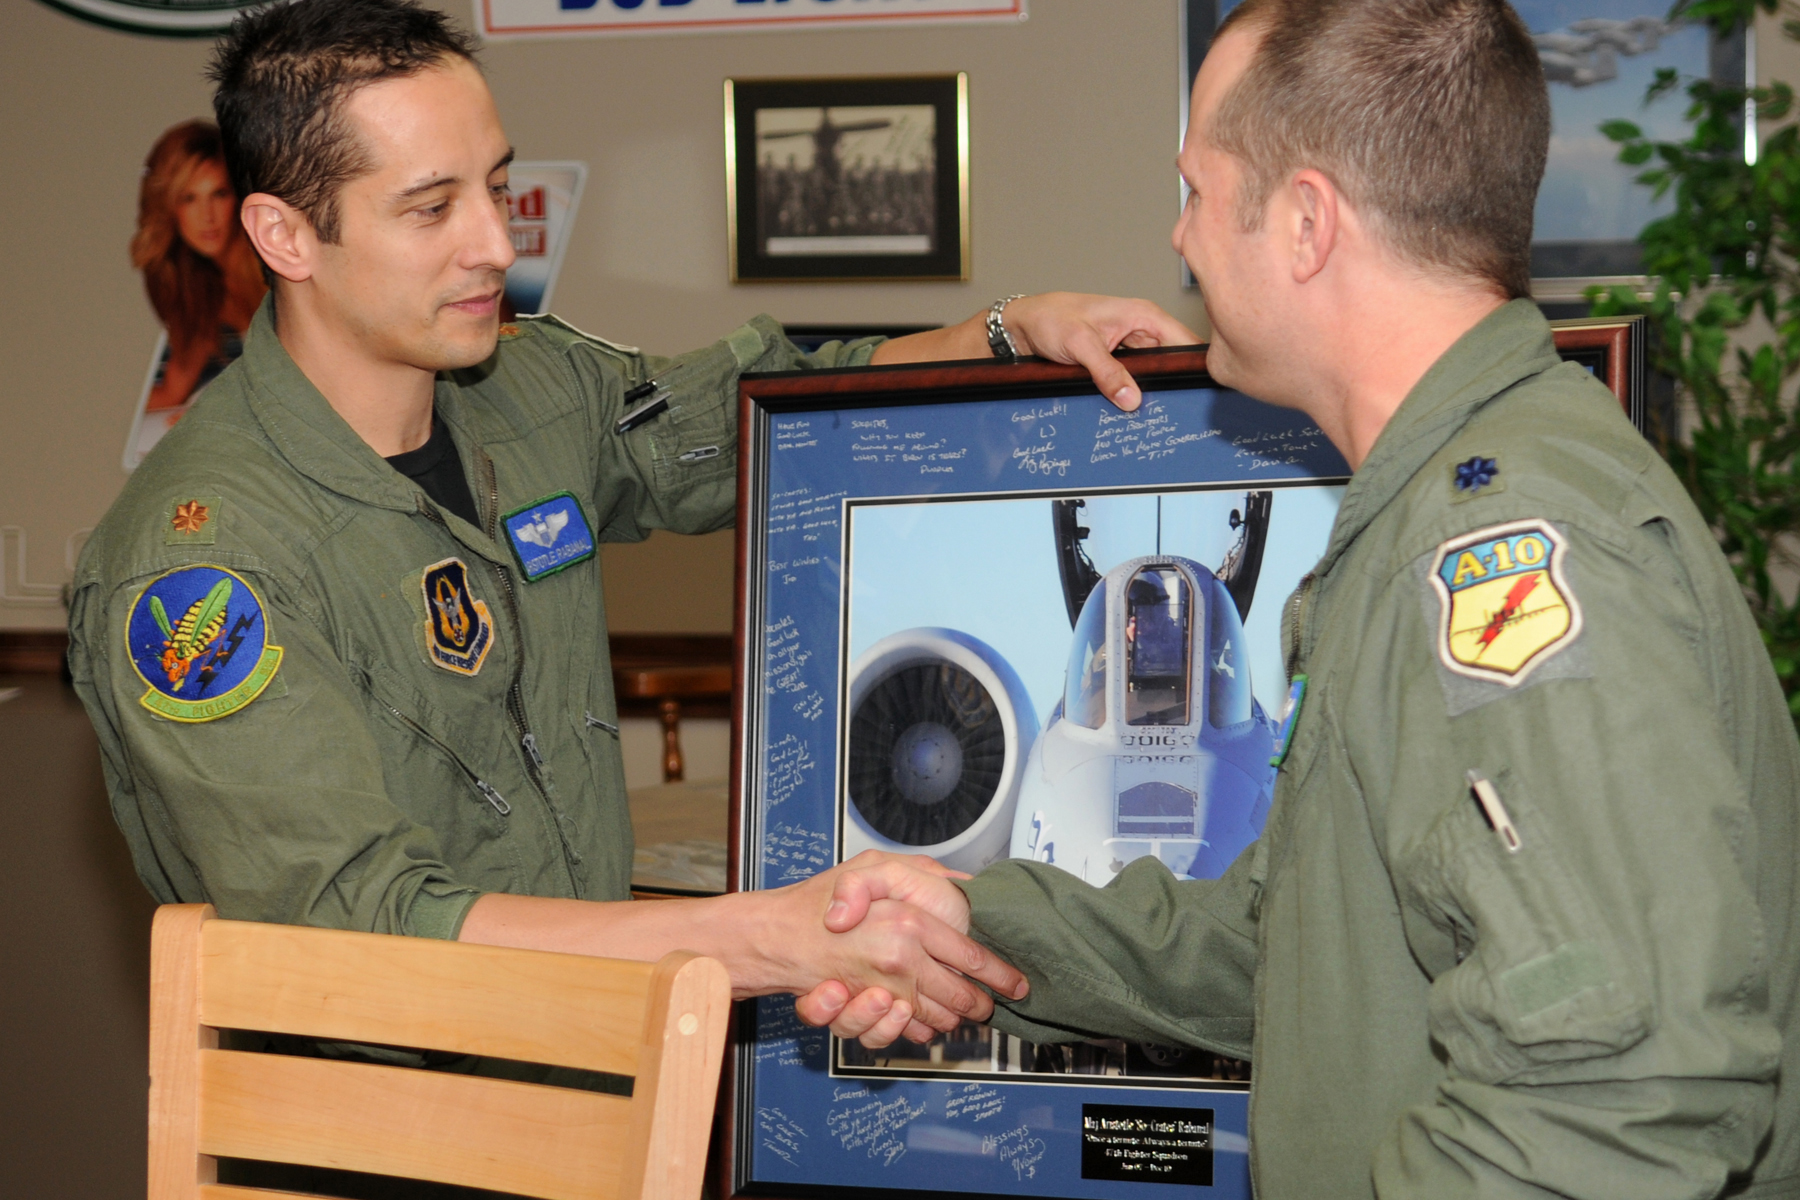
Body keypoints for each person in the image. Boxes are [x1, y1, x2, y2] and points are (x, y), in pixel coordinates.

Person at [67, 0, 1195, 1071]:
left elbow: (767, 411)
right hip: (372, 1140)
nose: (491, 245)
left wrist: (999, 336)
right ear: (283, 235)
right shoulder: (198, 571)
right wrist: (765, 942)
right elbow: (368, 932)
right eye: (430, 207)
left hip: (594, 1083)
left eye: (496, 188)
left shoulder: (526, 389)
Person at [810, 0, 1800, 1196]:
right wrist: (968, 920)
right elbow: (1307, 946)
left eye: (1194, 190)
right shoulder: (1439, 510)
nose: (1179, 242)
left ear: (1304, 222)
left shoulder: (1497, 547)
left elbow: (1621, 1098)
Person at [131, 120, 267, 412]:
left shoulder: (271, 264)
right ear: (169, 207)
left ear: (238, 196)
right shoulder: (198, 287)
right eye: (189, 198)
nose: (207, 216)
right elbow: (172, 391)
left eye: (219, 194)